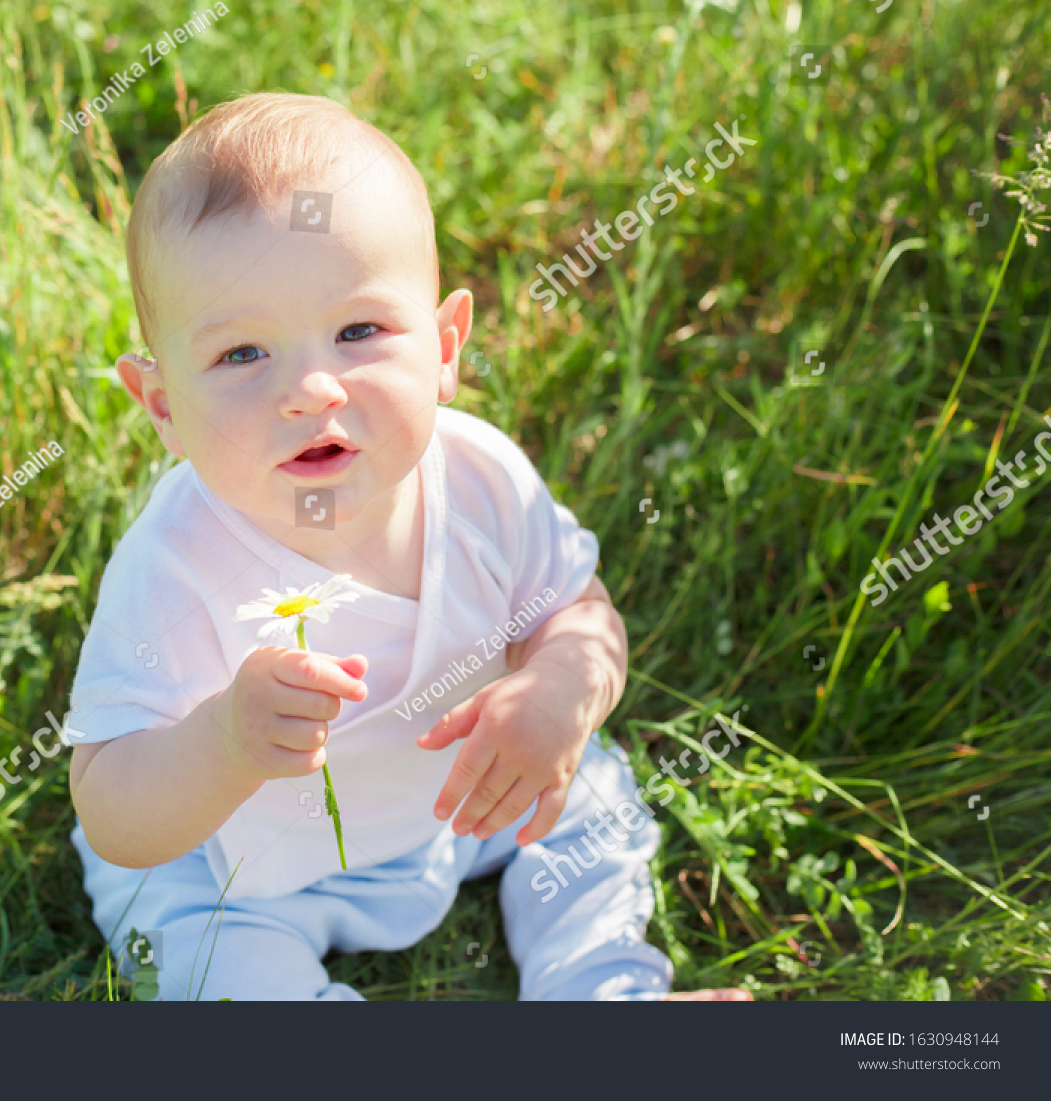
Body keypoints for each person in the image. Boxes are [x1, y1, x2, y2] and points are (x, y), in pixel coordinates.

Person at [64, 92, 749, 1002]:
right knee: (197, 946)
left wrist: (555, 693)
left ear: (444, 346)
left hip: (462, 807)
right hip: (234, 871)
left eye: (358, 332)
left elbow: (578, 615)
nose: (310, 389)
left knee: (589, 796)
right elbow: (111, 805)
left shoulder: (479, 481)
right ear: (162, 408)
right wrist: (222, 743)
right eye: (240, 355)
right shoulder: (174, 567)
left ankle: (603, 989)